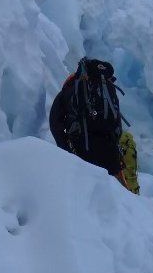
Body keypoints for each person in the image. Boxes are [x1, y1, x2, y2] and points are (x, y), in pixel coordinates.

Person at [49, 57, 138, 194]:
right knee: (118, 197)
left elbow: (55, 123)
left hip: (82, 151)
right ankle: (135, 199)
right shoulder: (108, 89)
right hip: (110, 154)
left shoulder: (70, 88)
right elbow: (117, 124)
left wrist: (66, 151)